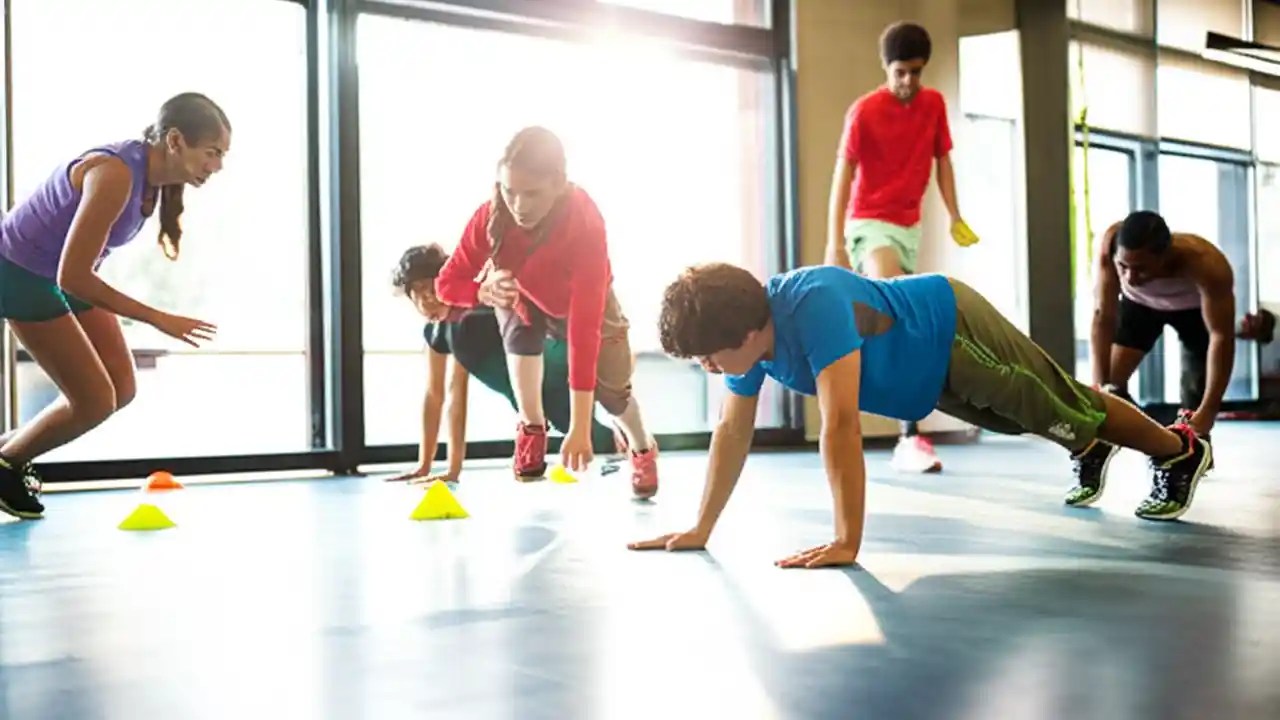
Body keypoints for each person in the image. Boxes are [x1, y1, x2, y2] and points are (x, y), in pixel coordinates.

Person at [628, 263, 1212, 568]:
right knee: (1028, 420)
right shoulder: (751, 347)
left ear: (749, 329)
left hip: (952, 330)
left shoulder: (814, 306)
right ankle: (1086, 444)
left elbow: (840, 426)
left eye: (707, 354)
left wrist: (845, 540)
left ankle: (1179, 449)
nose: (707, 366)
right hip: (925, 379)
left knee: (1067, 407)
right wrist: (701, 529)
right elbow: (733, 430)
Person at [0, 92, 228, 520]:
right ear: (175, 140)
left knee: (121, 387)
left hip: (56, 275)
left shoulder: (155, 181)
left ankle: (8, 453)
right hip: (19, 272)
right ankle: (5, 466)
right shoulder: (115, 173)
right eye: (212, 153)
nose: (217, 166)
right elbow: (74, 276)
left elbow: (75, 272)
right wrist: (159, 318)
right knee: (94, 402)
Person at [433, 126, 660, 498]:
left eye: (532, 193)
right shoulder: (491, 217)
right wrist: (482, 291)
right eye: (509, 191)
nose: (519, 205)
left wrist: (580, 427)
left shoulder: (584, 221)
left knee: (614, 395)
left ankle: (641, 445)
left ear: (558, 185)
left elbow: (585, 328)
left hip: (586, 307)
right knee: (511, 302)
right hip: (525, 301)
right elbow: (447, 284)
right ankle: (532, 425)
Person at [824, 21, 975, 475]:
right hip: (869, 222)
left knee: (892, 318)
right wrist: (834, 243)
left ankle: (900, 424)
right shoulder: (864, 111)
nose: (909, 82)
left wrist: (954, 215)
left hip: (910, 225)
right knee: (897, 303)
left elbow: (942, 159)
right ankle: (909, 436)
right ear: (886, 68)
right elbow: (842, 177)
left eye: (916, 72)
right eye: (900, 73)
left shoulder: (933, 104)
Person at [385, 243, 624, 483]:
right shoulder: (437, 333)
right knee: (580, 429)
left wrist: (453, 471)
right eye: (416, 292)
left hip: (555, 367)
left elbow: (456, 395)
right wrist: (425, 466)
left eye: (430, 287)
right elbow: (434, 396)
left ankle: (631, 449)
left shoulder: (469, 317)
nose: (426, 299)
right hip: (532, 392)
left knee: (589, 432)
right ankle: (627, 447)